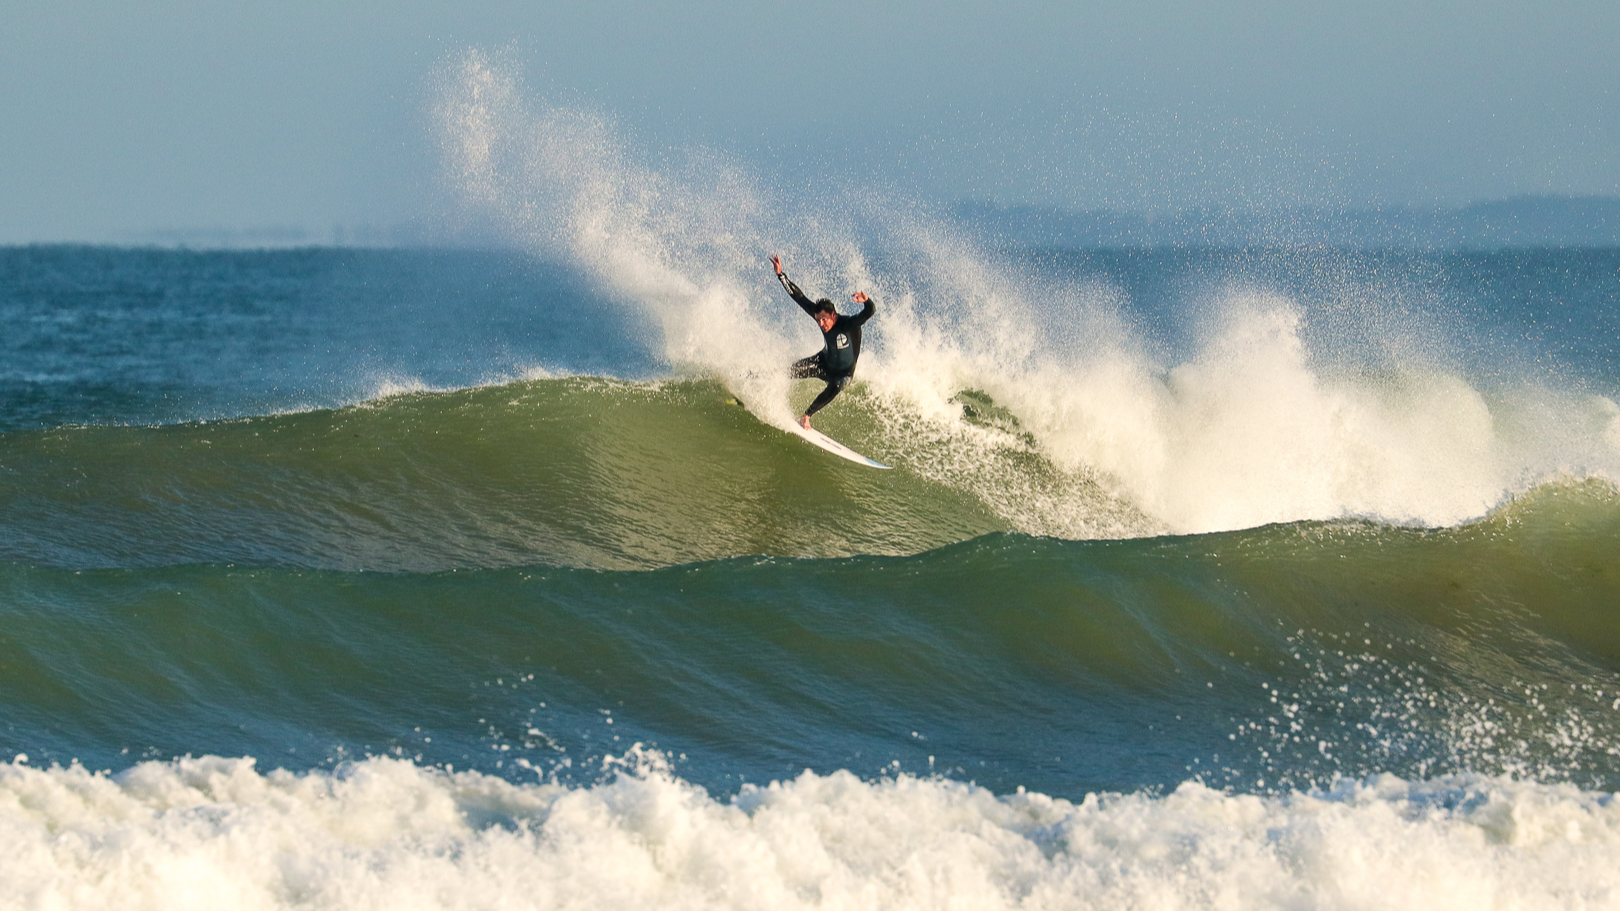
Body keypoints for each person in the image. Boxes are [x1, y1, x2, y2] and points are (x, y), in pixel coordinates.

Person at [771, 255, 876, 430]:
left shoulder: (848, 324)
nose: (821, 324)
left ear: (833, 316)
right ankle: (759, 381)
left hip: (843, 374)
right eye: (818, 320)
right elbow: (799, 297)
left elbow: (870, 311)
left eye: (824, 320)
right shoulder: (820, 316)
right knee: (791, 370)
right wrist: (781, 275)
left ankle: (806, 417)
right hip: (824, 362)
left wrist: (866, 301)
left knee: (836, 386)